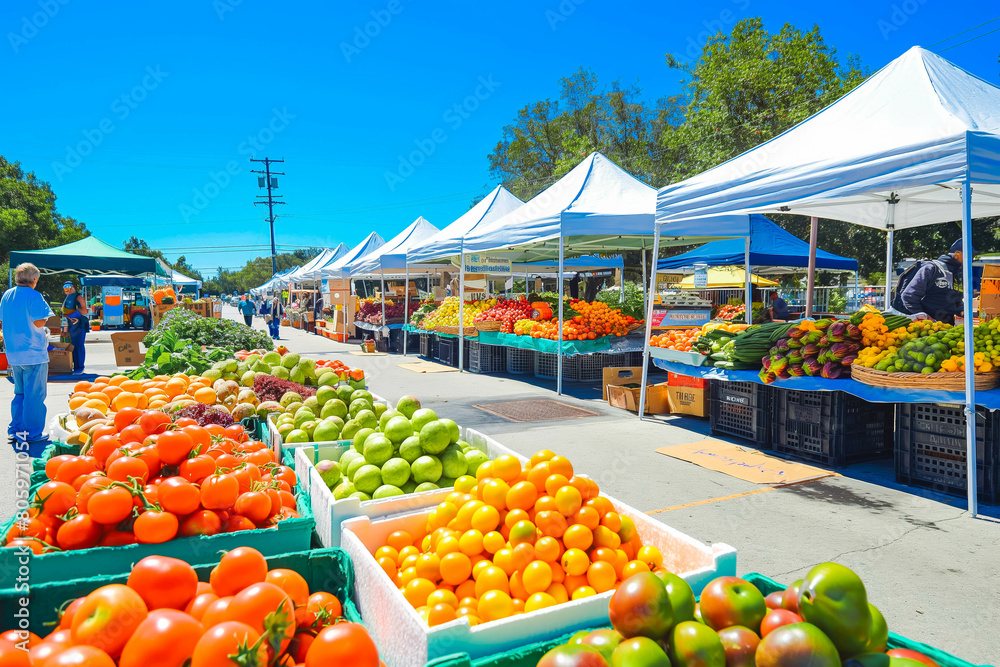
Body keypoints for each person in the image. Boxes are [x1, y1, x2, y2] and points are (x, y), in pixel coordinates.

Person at [0, 263, 55, 456]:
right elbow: (39, 321)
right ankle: (31, 433)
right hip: (33, 353)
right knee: (35, 396)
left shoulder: (7, 295)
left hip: (14, 353)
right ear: (34, 279)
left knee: (20, 393)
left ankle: (16, 430)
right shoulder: (34, 295)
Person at [892, 239, 974, 324]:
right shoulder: (931, 268)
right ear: (957, 254)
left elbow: (955, 299)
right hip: (926, 328)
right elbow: (908, 296)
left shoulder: (956, 273)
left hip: (946, 327)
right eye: (969, 255)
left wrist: (961, 311)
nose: (972, 259)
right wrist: (924, 318)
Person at [61, 280, 88, 374]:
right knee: (69, 346)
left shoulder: (79, 297)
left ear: (73, 288)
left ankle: (79, 366)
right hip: (68, 325)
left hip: (78, 326)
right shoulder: (67, 298)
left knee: (78, 346)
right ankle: (71, 365)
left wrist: (74, 314)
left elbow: (85, 311)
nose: (66, 290)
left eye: (68, 287)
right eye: (65, 288)